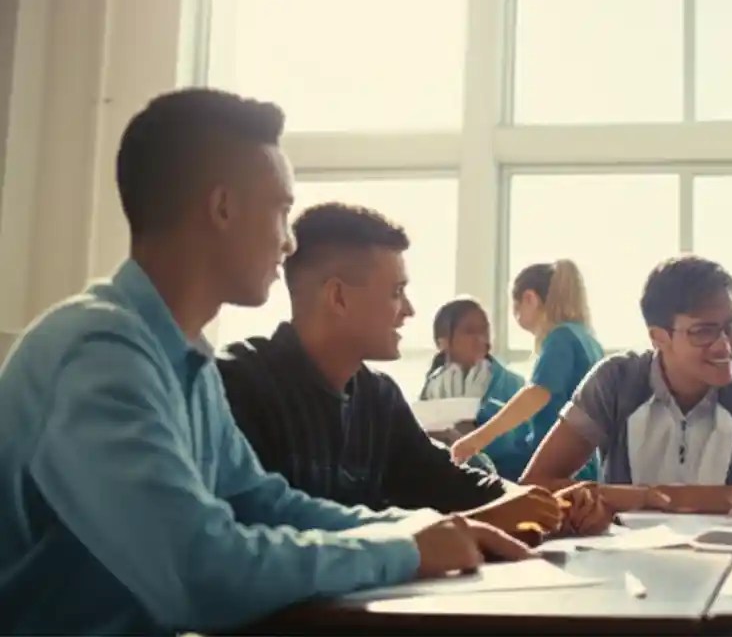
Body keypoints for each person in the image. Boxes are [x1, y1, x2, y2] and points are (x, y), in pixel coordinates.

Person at [0, 89, 529, 634]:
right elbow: (200, 574)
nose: (289, 242)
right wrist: (405, 551)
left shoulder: (186, 362)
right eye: (281, 210)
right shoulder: (99, 356)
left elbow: (263, 503)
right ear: (223, 208)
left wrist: (418, 530)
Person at [218, 204, 610, 541]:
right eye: (396, 292)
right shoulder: (238, 386)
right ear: (338, 297)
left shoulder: (378, 397)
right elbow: (262, 534)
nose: (408, 310)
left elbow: (449, 481)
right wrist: (473, 524)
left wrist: (541, 505)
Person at [522, 255, 732, 522]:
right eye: (703, 331)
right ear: (659, 337)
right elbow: (533, 487)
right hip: (627, 555)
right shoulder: (615, 380)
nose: (724, 346)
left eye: (731, 326)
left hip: (725, 553)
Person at [450, 260, 602, 481]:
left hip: (561, 465)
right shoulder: (587, 340)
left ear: (529, 298)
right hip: (586, 463)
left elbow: (536, 394)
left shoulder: (560, 338)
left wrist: (477, 439)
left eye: (516, 307)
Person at [421, 297, 533, 481]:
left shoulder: (514, 384)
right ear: (443, 342)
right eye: (469, 331)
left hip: (505, 483)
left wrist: (474, 432)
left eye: (484, 330)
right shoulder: (431, 387)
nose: (480, 338)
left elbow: (524, 446)